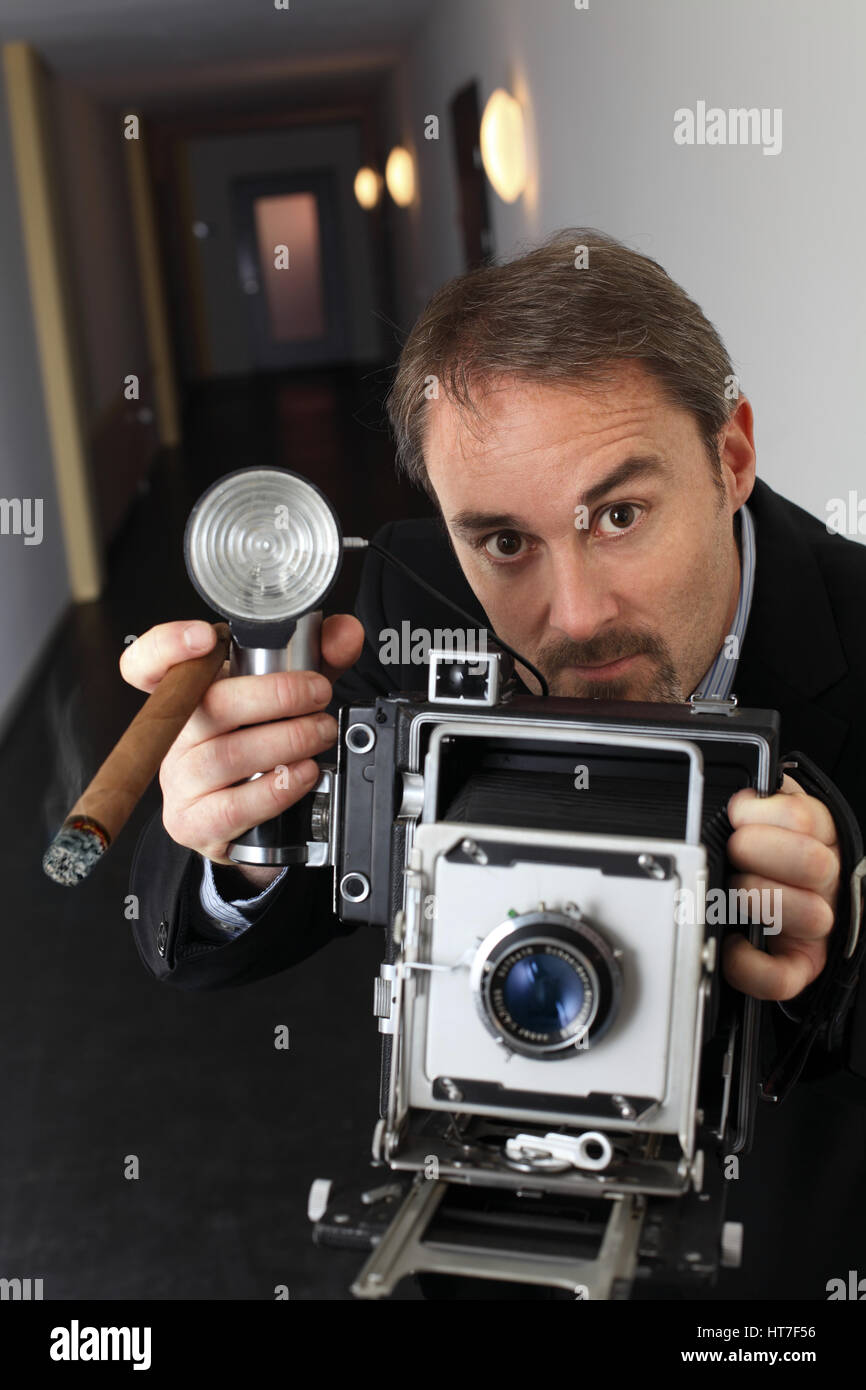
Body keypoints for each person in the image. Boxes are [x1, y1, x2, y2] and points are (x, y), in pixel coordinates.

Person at [124, 229, 866, 1299]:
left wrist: (841, 936)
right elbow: (199, 950)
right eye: (503, 542)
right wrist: (240, 827)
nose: (574, 617)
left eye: (617, 515)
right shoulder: (412, 601)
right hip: (486, 1249)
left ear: (730, 454)